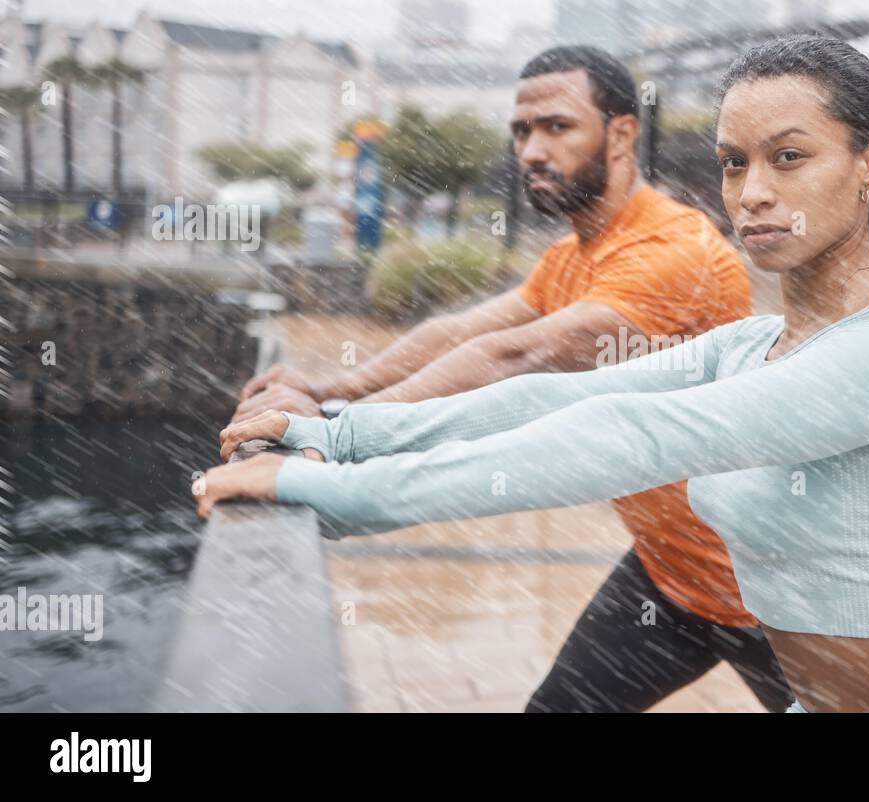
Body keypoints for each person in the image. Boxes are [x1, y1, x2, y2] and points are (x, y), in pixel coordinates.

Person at [198, 35, 869, 713]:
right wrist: (333, 432)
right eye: (734, 163)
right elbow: (558, 392)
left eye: (789, 158)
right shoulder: (754, 342)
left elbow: (633, 434)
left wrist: (337, 495)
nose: (751, 192)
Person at [227, 45, 793, 713]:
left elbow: (519, 355)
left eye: (556, 126)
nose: (530, 149)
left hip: (772, 588)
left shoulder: (674, 250)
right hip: (671, 576)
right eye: (522, 131)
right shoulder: (572, 255)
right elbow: (463, 333)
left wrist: (338, 434)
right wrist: (328, 391)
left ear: (620, 134)